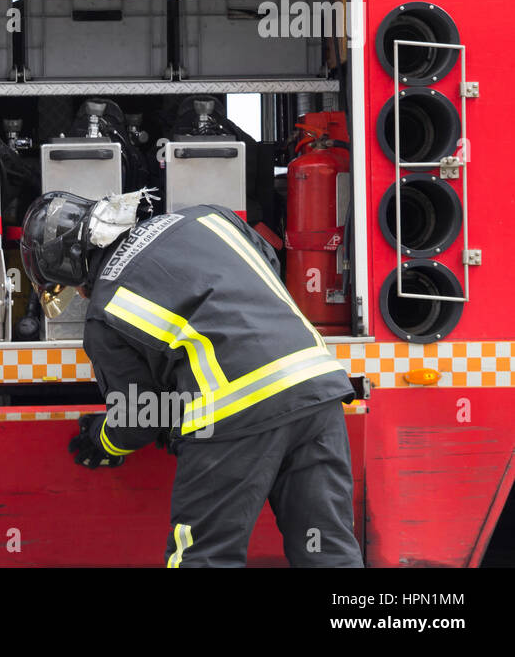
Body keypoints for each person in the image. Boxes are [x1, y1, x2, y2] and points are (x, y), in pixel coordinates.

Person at [20, 190, 363, 568]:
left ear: (71, 268)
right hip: (316, 385)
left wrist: (102, 441)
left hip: (234, 414)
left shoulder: (104, 312)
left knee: (203, 557)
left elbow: (139, 420)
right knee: (325, 547)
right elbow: (266, 264)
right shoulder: (207, 217)